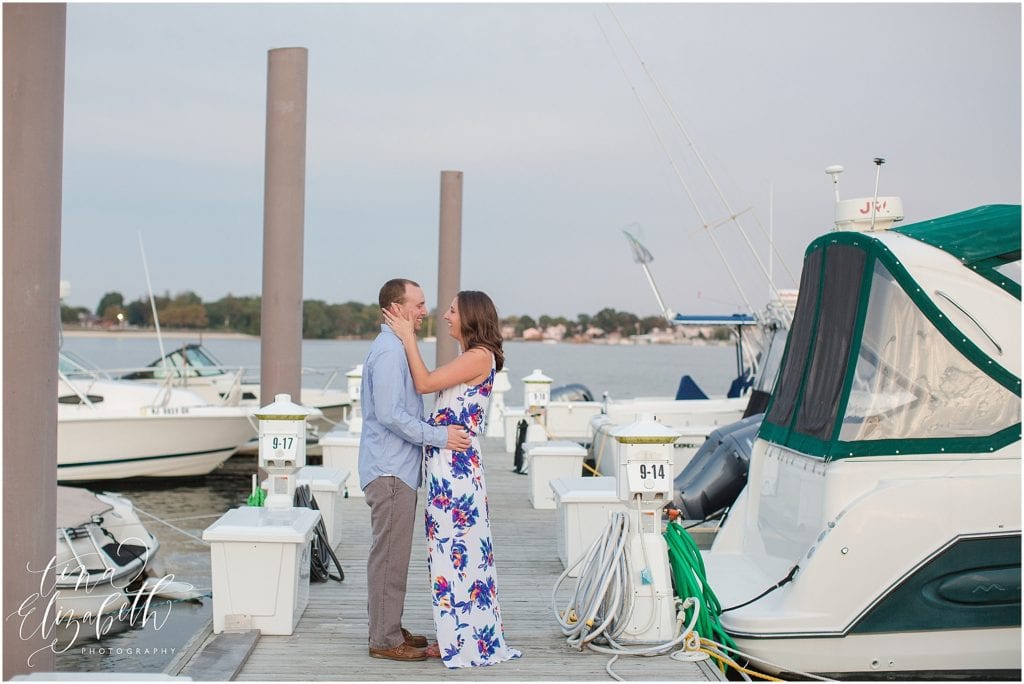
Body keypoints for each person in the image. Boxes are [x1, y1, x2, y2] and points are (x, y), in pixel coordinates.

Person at [383, 290, 522, 668]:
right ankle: (460, 636)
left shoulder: (478, 357)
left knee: (455, 552)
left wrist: (408, 338)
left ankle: (463, 642)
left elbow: (425, 383)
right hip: (450, 467)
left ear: (470, 317)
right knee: (453, 553)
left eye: (452, 310)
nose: (445, 315)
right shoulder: (471, 356)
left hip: (456, 472)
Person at [359, 278, 472, 662]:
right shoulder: (391, 352)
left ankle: (387, 626)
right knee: (390, 556)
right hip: (391, 470)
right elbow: (392, 414)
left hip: (393, 467)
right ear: (396, 308)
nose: (425, 311)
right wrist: (440, 436)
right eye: (419, 304)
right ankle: (385, 640)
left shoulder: (393, 346)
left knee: (390, 554)